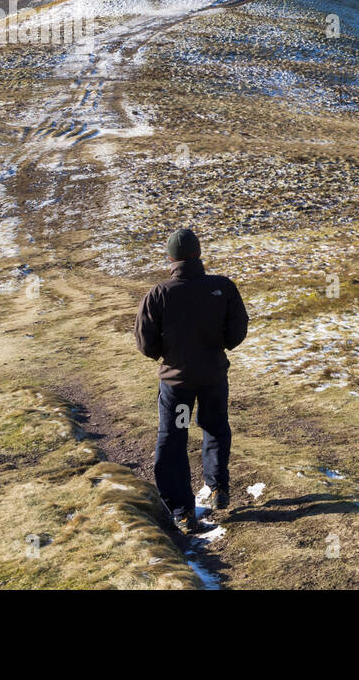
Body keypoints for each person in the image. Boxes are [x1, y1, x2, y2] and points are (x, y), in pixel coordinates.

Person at [134, 228, 249, 533]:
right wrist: (217, 346)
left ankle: (183, 511)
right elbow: (237, 331)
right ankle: (217, 488)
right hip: (212, 378)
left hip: (178, 384)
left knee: (175, 438)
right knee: (214, 426)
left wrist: (169, 355)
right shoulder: (222, 288)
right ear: (199, 254)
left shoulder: (159, 294)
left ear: (170, 259)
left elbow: (146, 344)